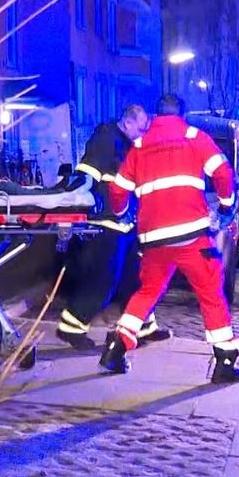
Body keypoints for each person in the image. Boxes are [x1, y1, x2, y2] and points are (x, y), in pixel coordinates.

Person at [99, 94, 239, 384]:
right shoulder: (194, 136)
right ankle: (225, 361)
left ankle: (117, 348)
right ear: (183, 113)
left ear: (155, 115)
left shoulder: (139, 146)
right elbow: (223, 173)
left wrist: (124, 213)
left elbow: (117, 190)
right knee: (210, 293)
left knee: (147, 291)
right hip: (191, 235)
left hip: (153, 238)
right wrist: (227, 206)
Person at [55, 105, 172, 350]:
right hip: (106, 223)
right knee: (103, 279)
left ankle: (142, 326)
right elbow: (85, 175)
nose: (143, 134)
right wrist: (68, 206)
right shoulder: (105, 139)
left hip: (124, 222)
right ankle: (71, 327)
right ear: (128, 123)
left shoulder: (126, 143)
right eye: (140, 128)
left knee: (134, 278)